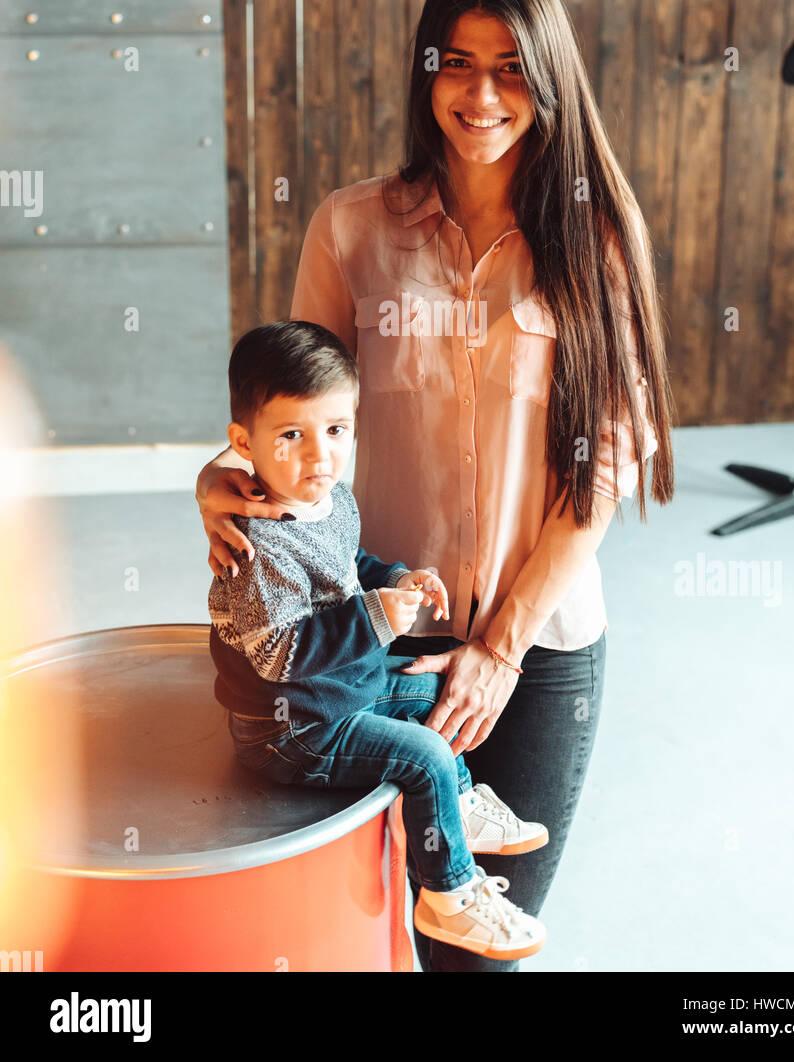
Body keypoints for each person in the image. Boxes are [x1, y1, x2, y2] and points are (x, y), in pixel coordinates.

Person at [197, 0, 675, 972]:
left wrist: (500, 649)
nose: (482, 93)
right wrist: (219, 477)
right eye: (457, 62)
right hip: (374, 650)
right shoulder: (352, 229)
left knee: (477, 947)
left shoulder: (598, 242)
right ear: (426, 74)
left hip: (538, 654)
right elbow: (293, 419)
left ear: (548, 78)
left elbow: (599, 478)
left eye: (510, 67)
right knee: (378, 926)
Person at [207, 318, 551, 960]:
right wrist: (377, 617)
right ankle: (448, 897)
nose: (320, 456)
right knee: (423, 757)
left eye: (337, 431)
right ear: (242, 444)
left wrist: (396, 578)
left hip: (339, 692)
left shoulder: (328, 500)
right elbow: (282, 657)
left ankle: (463, 801)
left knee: (429, 685)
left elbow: (348, 563)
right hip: (293, 729)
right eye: (291, 436)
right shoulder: (257, 549)